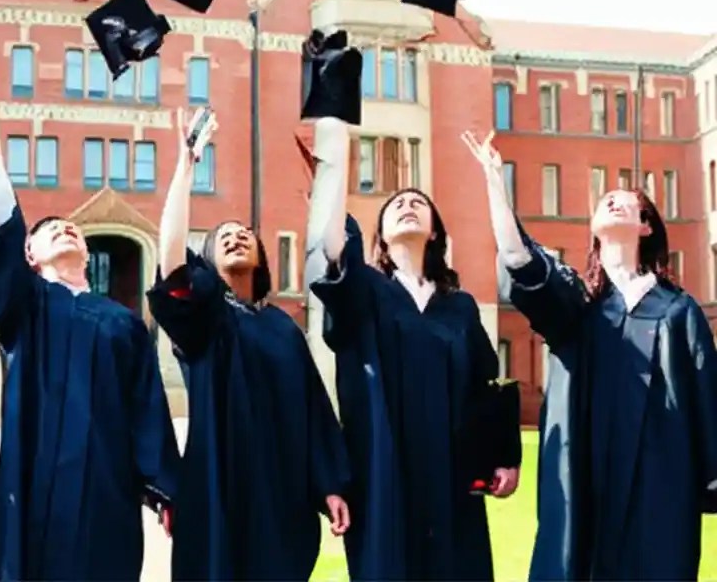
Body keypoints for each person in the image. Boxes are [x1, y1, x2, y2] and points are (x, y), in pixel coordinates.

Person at [465, 130, 717, 581]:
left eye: (628, 200)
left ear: (647, 226)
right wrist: (494, 185)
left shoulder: (679, 313)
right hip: (582, 488)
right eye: (606, 199)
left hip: (660, 494)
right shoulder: (575, 311)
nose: (614, 201)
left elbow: (709, 405)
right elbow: (520, 260)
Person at [0, 71, 179, 581]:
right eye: (49, 229)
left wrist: (165, 487)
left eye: (71, 226)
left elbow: (146, 407)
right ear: (28, 256)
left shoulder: (123, 323)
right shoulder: (25, 304)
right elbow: (1, 228)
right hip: (34, 480)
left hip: (105, 485)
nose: (66, 228)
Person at [304, 117, 520, 581]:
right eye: (397, 204)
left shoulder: (459, 307)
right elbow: (335, 249)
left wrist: (506, 456)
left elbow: (487, 385)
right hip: (383, 470)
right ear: (378, 235)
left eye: (418, 203)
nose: (407, 206)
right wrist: (339, 155)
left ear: (437, 233)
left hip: (453, 475)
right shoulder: (365, 292)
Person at [148, 107, 350, 581]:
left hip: (281, 493)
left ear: (262, 259)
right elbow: (171, 255)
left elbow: (314, 412)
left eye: (245, 235)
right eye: (224, 237)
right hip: (218, 485)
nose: (237, 237)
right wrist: (186, 166)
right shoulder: (204, 315)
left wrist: (330, 486)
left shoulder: (282, 328)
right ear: (206, 259)